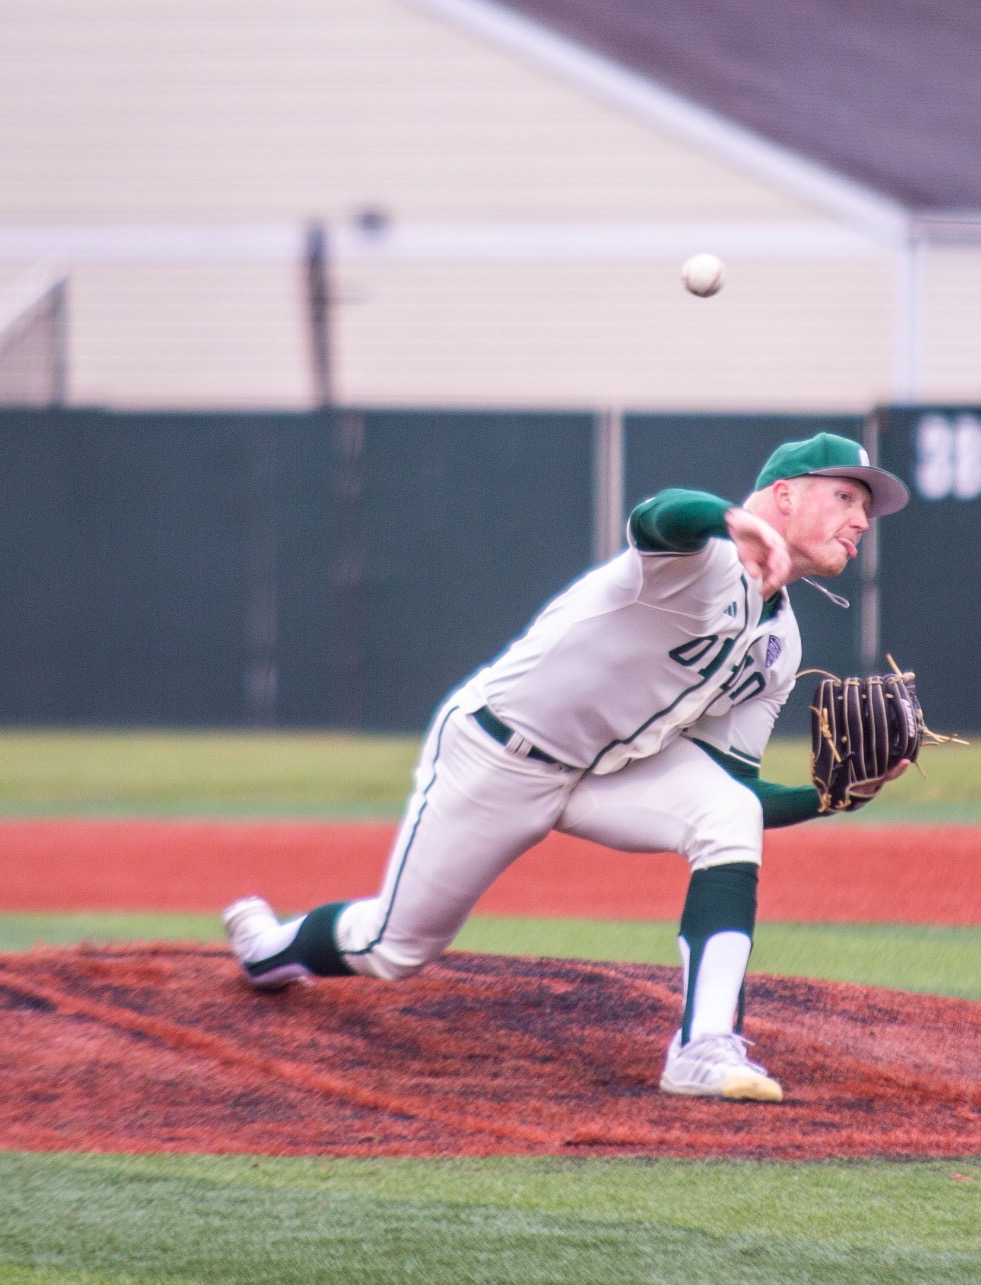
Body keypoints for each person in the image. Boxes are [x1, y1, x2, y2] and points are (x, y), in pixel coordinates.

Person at [223, 432, 912, 1102]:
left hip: (605, 774)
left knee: (727, 815)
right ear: (784, 495)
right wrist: (728, 518)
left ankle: (704, 1045)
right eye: (848, 497)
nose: (861, 520)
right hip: (498, 755)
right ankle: (268, 947)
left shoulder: (781, 643)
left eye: (867, 509)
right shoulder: (702, 559)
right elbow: (655, 514)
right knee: (397, 946)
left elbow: (729, 784)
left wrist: (827, 796)